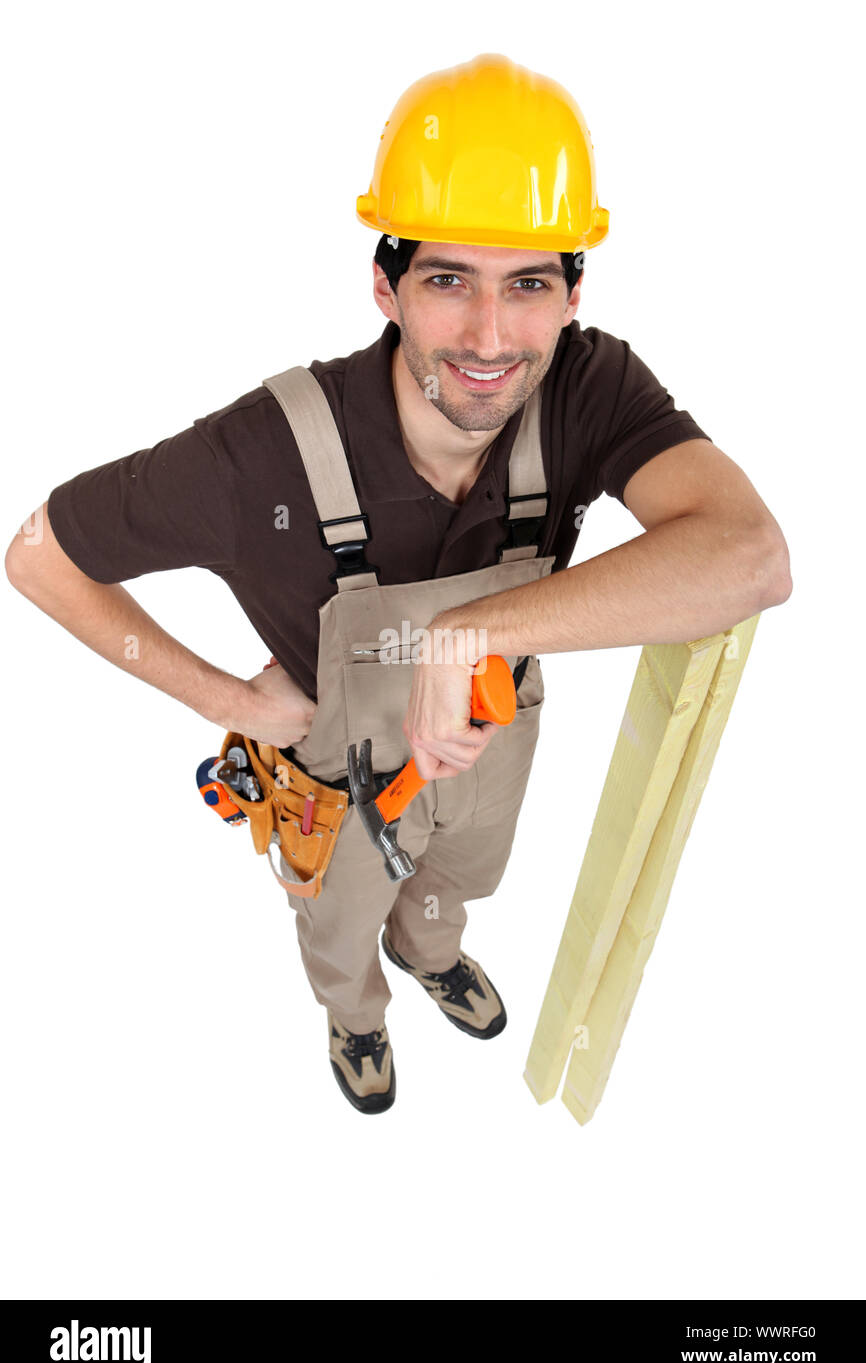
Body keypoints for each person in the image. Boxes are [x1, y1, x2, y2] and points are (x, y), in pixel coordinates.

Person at [4, 54, 792, 1116]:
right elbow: (40, 555)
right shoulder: (263, 455)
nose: (486, 337)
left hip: (488, 728)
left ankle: (431, 955)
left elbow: (749, 557)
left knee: (458, 881)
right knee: (338, 921)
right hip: (338, 771)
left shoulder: (586, 388)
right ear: (384, 283)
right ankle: (358, 1016)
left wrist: (466, 637)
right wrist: (228, 702)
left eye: (526, 285)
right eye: (444, 279)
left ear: (570, 295)